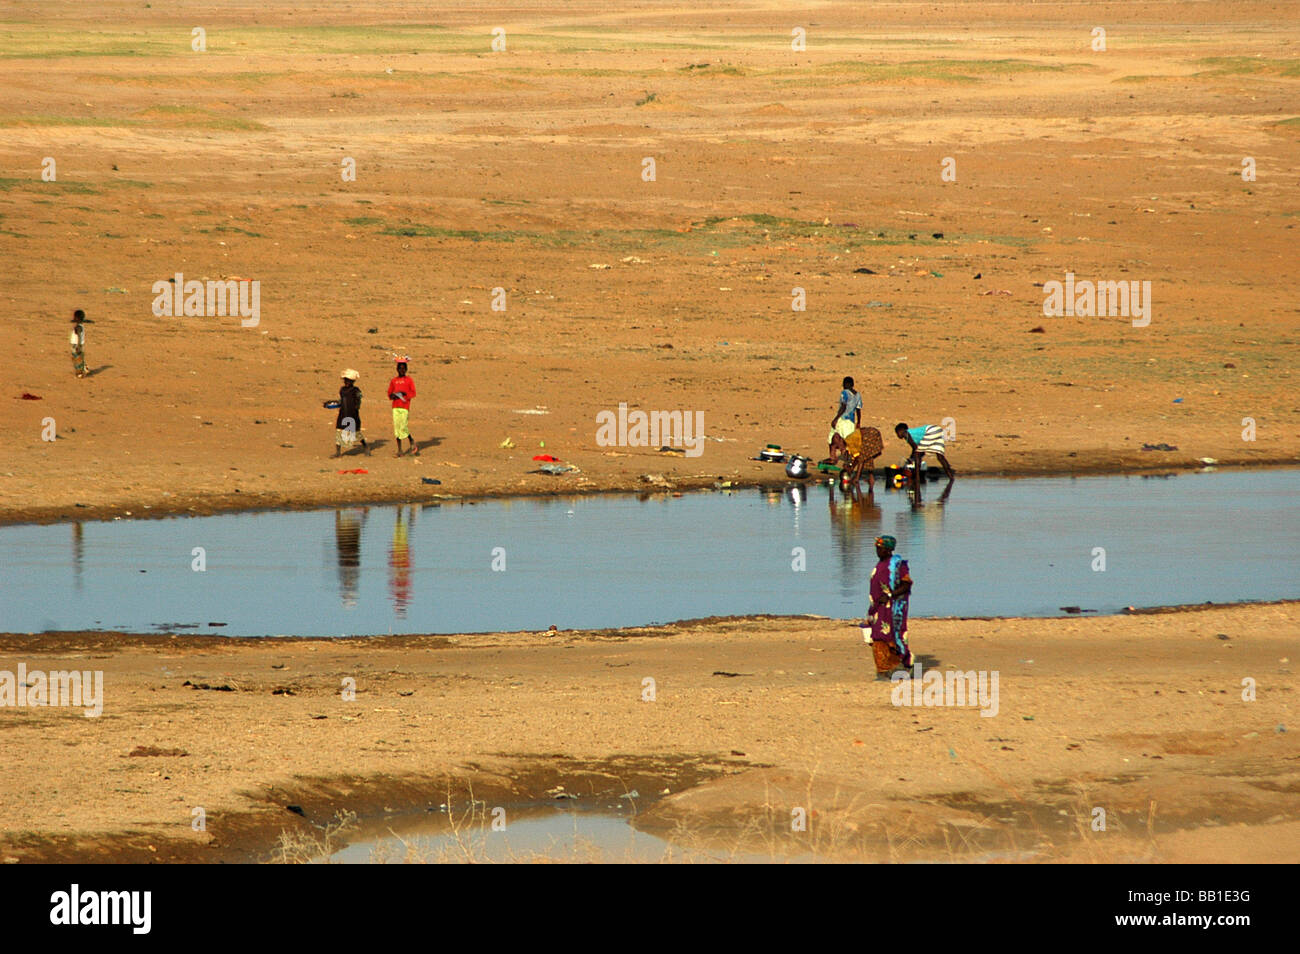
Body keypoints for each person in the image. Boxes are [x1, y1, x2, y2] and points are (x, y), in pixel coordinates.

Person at [864, 535, 913, 673]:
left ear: (887, 550)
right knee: (876, 636)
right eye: (877, 548)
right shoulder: (880, 565)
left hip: (892, 609)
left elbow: (906, 585)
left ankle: (895, 667)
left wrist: (890, 595)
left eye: (880, 549)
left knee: (888, 636)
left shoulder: (898, 565)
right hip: (878, 608)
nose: (877, 551)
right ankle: (885, 669)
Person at [895, 421, 954, 488]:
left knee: (917, 455)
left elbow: (915, 448)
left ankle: (917, 479)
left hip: (930, 430)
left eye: (897, 433)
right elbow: (918, 449)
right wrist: (912, 457)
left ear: (901, 430)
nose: (897, 435)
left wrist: (912, 459)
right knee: (940, 457)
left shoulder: (906, 434)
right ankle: (951, 477)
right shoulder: (914, 435)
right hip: (937, 430)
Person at [388, 357, 419, 458]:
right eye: (400, 368)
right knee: (397, 429)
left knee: (403, 426)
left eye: (403, 368)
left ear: (406, 369)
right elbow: (389, 394)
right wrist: (393, 395)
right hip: (395, 407)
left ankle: (411, 441)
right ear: (397, 369)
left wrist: (405, 394)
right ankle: (400, 450)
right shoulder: (394, 381)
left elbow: (413, 393)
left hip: (404, 406)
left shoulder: (409, 380)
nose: (401, 370)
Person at [334, 369, 368, 457]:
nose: (346, 382)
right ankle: (338, 452)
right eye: (345, 380)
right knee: (339, 431)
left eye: (348, 380)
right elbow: (341, 400)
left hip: (352, 414)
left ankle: (365, 446)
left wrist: (356, 408)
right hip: (343, 413)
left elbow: (358, 401)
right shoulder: (342, 390)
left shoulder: (355, 390)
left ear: (352, 381)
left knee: (356, 432)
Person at [828, 376, 862, 459]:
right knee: (847, 441)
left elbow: (843, 406)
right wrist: (858, 422)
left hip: (842, 419)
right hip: (851, 422)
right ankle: (845, 455)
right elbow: (858, 409)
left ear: (845, 384)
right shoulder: (858, 395)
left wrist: (835, 419)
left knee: (832, 438)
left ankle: (835, 456)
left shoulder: (845, 393)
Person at [69, 309, 91, 378]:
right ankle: (84, 367)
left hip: (76, 345)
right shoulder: (81, 326)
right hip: (79, 344)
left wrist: (78, 346)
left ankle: (80, 372)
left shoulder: (78, 327)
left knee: (77, 359)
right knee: (79, 357)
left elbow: (78, 336)